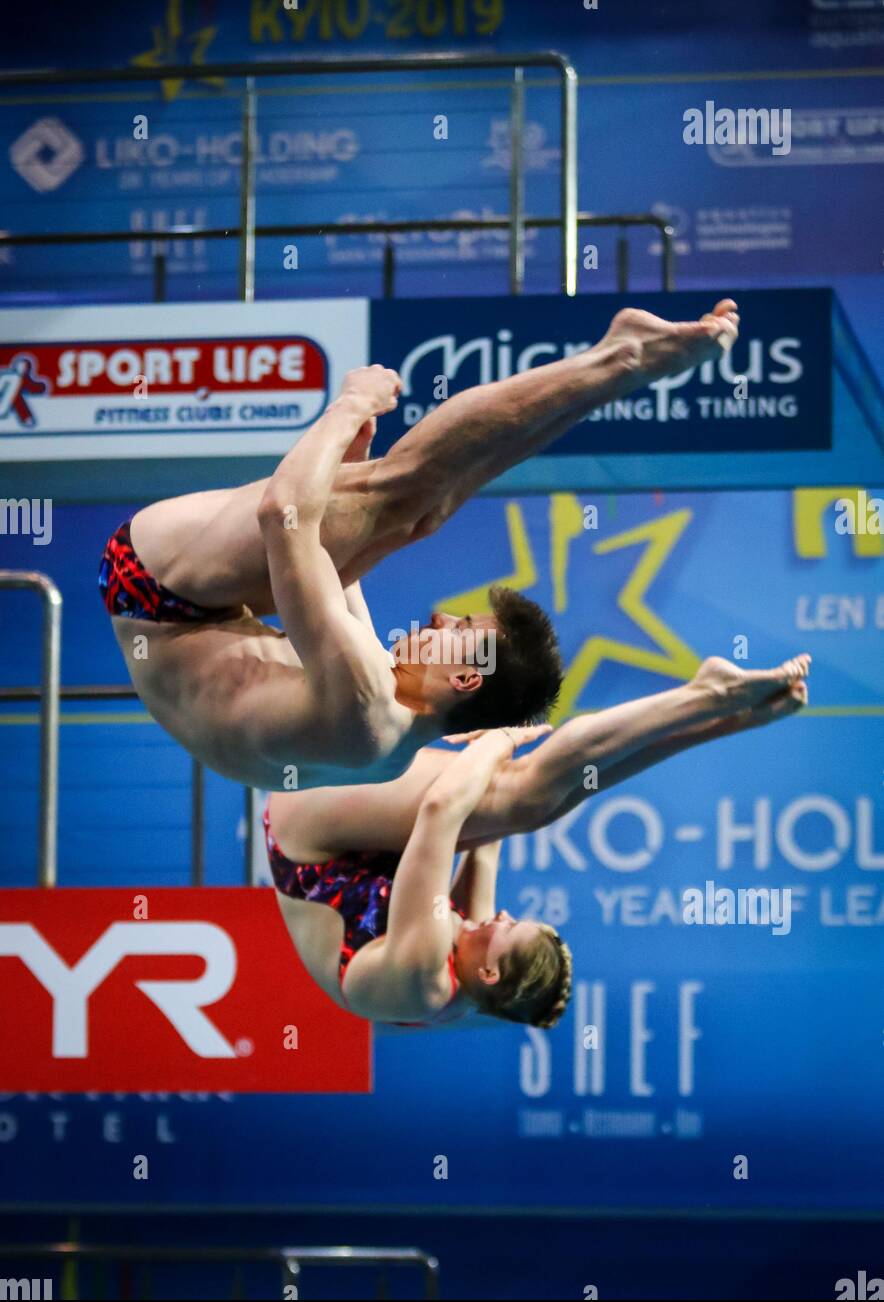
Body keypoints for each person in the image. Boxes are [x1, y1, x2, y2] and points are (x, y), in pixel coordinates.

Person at [99, 300, 740, 788]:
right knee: (418, 516)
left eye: (459, 625)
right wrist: (348, 470)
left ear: (465, 676)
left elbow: (285, 514)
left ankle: (622, 360)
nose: (439, 616)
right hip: (199, 618)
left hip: (154, 583)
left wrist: (349, 405)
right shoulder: (393, 739)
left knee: (399, 493)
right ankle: (618, 370)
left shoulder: (366, 699)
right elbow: (328, 581)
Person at [265, 653, 810, 1028]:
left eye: (507, 929)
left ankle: (710, 694)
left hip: (306, 838)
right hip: (358, 851)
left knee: (521, 792)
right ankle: (720, 718)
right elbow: (491, 838)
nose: (500, 916)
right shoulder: (472, 966)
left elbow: (440, 813)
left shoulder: (423, 975)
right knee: (533, 808)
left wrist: (503, 736)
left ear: (490, 972)